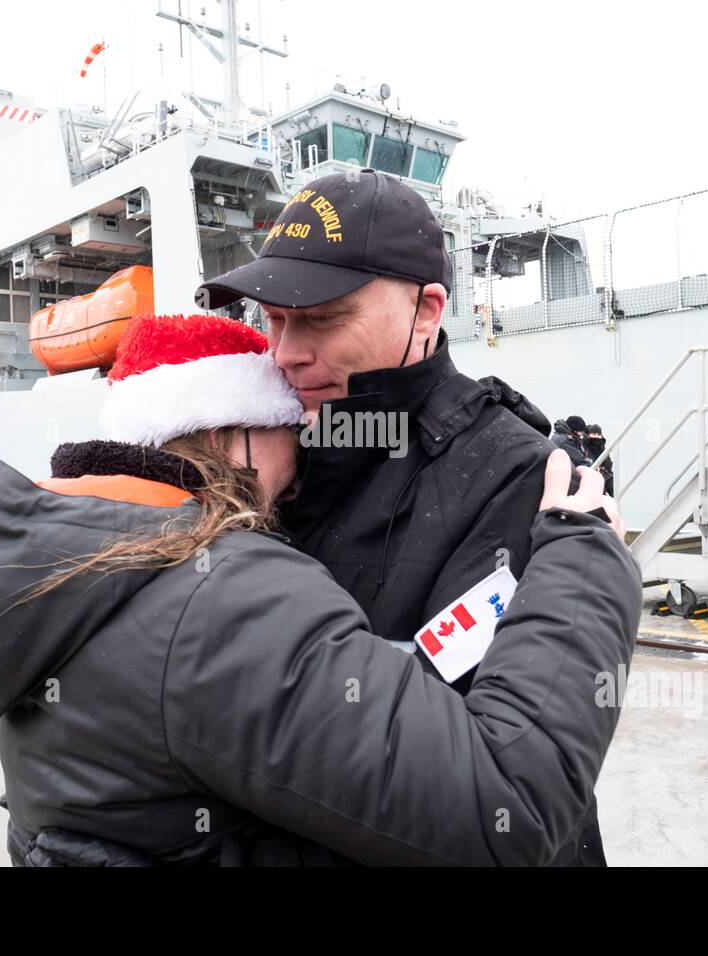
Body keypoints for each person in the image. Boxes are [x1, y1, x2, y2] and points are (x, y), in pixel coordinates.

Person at [0, 312, 641, 866]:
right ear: (232, 432)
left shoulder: (76, 551)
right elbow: (506, 805)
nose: (300, 469)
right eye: (287, 430)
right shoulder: (221, 598)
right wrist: (584, 555)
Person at [196, 168, 614, 865]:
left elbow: (472, 788)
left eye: (323, 317)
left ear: (427, 310)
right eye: (272, 318)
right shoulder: (282, 446)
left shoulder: (514, 476)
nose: (286, 353)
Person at [583, 424, 614, 496]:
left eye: (598, 434)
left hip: (604, 478)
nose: (596, 436)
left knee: (613, 485)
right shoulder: (584, 448)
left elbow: (608, 465)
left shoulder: (602, 449)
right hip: (590, 481)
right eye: (594, 434)